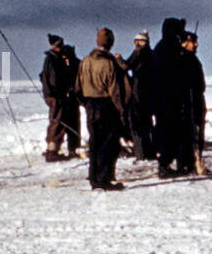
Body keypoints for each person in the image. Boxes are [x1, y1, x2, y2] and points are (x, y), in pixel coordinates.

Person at [76, 27, 128, 190]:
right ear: (111, 43)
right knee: (108, 144)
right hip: (107, 105)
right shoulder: (109, 63)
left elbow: (77, 87)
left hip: (91, 105)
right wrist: (121, 111)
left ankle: (94, 178)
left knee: (95, 143)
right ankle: (103, 179)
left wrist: (86, 104)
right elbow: (116, 91)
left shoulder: (85, 61)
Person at [153, 18, 197, 178]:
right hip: (170, 99)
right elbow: (176, 74)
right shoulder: (170, 48)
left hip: (164, 99)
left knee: (169, 132)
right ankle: (165, 164)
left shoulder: (162, 47)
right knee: (170, 133)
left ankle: (167, 163)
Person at [41, 34, 80, 161]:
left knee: (61, 121)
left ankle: (56, 149)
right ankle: (52, 152)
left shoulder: (53, 59)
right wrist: (63, 92)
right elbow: (54, 80)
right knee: (57, 122)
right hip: (57, 97)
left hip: (56, 96)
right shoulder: (53, 60)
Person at [123, 30, 155, 161]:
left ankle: (141, 154)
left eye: (140, 41)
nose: (137, 43)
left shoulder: (140, 53)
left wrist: (118, 60)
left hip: (139, 94)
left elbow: (127, 66)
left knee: (138, 125)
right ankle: (149, 152)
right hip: (149, 95)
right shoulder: (151, 54)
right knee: (147, 124)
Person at [180, 30, 208, 175]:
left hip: (197, 100)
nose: (196, 45)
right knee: (191, 134)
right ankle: (190, 162)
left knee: (197, 132)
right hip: (189, 102)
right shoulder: (185, 60)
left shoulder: (193, 60)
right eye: (193, 41)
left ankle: (193, 161)